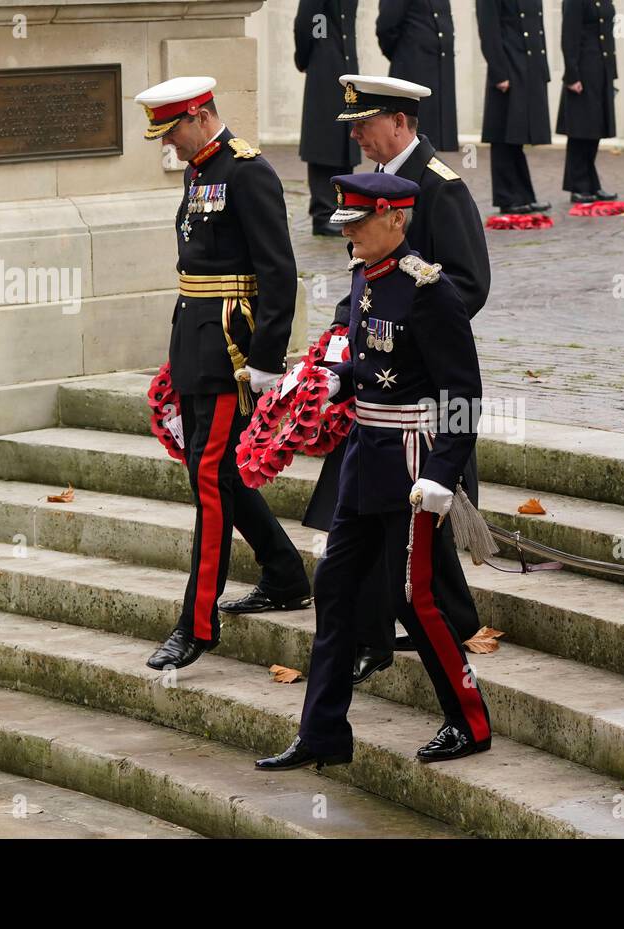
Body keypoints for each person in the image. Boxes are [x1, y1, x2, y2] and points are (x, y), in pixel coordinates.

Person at [221, 75, 489, 687]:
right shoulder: (362, 192)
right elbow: (362, 283)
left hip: (417, 390)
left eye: (366, 123)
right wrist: (343, 347)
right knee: (370, 516)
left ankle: (434, 628)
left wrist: (400, 336)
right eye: (353, 125)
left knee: (407, 519)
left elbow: (468, 285)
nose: (357, 134)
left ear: (400, 121)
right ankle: (383, 632)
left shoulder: (440, 187)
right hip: (369, 380)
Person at [256, 172, 493, 770]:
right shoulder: (365, 273)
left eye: (359, 223)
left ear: (395, 218)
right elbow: (363, 355)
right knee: (335, 590)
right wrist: (332, 379)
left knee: (416, 599)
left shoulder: (429, 290)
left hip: (413, 462)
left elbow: (462, 392)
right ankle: (323, 733)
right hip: (365, 456)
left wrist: (444, 473)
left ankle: (469, 722)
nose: (350, 234)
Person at [132, 76, 312, 672]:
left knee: (210, 481)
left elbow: (278, 273)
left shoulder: (247, 171)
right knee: (217, 474)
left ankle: (196, 625)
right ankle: (285, 574)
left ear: (203, 115)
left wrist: (265, 360)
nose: (170, 145)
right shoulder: (200, 170)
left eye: (174, 130)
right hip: (196, 342)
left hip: (232, 355)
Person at [476, 0, 552, 214]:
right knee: (503, 136)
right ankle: (507, 197)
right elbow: (488, 29)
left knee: (517, 136)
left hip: (529, 67)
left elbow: (537, 27)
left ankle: (524, 195)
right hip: (508, 67)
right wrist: (499, 72)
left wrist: (542, 70)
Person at [294, 0, 362, 235]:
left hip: (345, 63)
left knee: (346, 134)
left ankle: (342, 207)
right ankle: (324, 213)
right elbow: (307, 23)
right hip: (324, 63)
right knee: (325, 135)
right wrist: (307, 60)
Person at [376, 0, 459, 152]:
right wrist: (404, 55)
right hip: (413, 69)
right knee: (411, 142)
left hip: (439, 72)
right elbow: (386, 27)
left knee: (433, 146)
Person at [557, 0, 618, 203]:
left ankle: (591, 183)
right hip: (583, 69)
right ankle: (578, 185)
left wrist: (611, 73)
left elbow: (607, 34)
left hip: (601, 69)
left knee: (595, 130)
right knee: (580, 130)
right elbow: (569, 35)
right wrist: (572, 75)